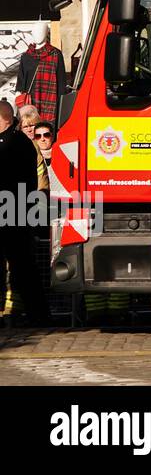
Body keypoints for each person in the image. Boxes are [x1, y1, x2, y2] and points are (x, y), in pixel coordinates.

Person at [0, 100, 48, 326]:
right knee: (22, 266)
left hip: (13, 212)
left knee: (23, 266)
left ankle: (38, 314)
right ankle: (36, 312)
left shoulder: (17, 143)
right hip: (14, 210)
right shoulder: (19, 142)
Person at [16, 23, 65, 124]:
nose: (38, 34)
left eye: (41, 31)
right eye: (35, 31)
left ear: (47, 32)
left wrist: (61, 108)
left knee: (46, 134)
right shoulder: (26, 56)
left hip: (50, 106)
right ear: (32, 33)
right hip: (30, 103)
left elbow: (61, 84)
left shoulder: (56, 54)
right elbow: (20, 83)